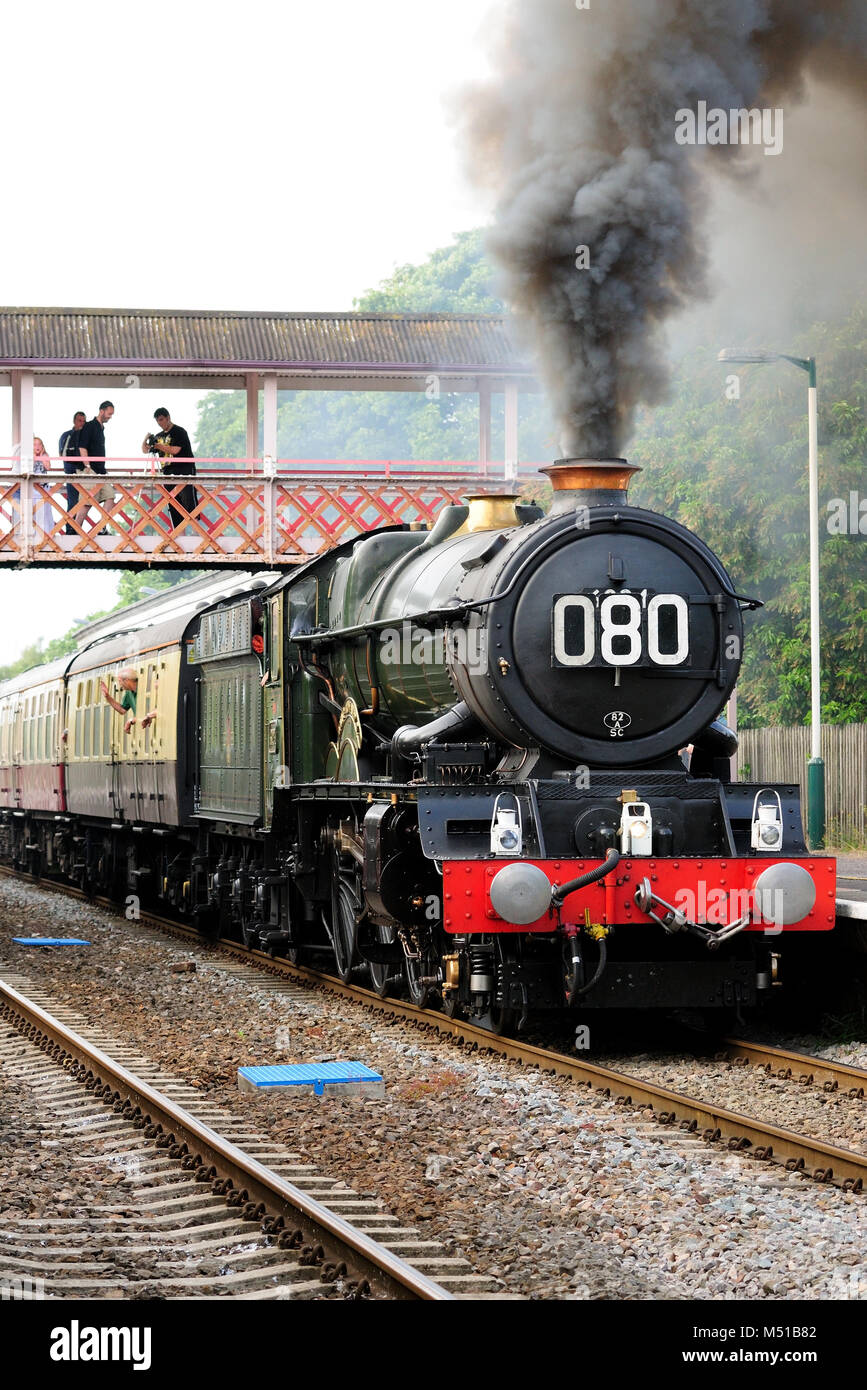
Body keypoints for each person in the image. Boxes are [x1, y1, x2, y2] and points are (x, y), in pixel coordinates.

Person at [142, 408, 197, 531]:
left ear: (168, 417)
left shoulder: (179, 431)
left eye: (161, 420)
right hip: (168, 472)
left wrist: (159, 446)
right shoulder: (159, 436)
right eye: (158, 421)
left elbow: (175, 450)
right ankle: (179, 533)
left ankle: (195, 531)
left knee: (188, 500)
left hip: (184, 470)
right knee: (173, 503)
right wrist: (146, 440)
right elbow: (146, 450)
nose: (160, 423)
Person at [79, 401, 115, 534]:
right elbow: (82, 447)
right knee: (87, 502)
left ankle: (101, 528)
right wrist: (87, 466)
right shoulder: (89, 426)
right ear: (102, 411)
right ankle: (75, 530)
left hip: (101, 471)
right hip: (90, 469)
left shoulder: (101, 428)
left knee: (110, 497)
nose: (110, 417)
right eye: (109, 414)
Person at [99, 668, 156, 734]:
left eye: (119, 681)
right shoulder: (128, 693)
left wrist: (131, 720)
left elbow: (147, 713)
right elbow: (122, 710)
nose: (119, 685)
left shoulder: (146, 689)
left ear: (126, 681)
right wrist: (107, 696)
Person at [59, 410, 87, 535]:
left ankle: (78, 528)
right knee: (73, 501)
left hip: (85, 473)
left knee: (86, 501)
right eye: (79, 420)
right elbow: (62, 454)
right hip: (71, 472)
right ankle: (70, 529)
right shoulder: (67, 435)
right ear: (74, 421)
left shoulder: (86, 436)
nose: (82, 423)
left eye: (83, 421)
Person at [32, 438, 54, 534]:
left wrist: (41, 456)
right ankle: (34, 532)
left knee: (45, 511)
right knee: (34, 510)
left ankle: (46, 532)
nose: (37, 446)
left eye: (39, 444)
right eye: (35, 444)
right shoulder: (30, 456)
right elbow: (29, 466)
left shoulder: (45, 455)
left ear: (42, 446)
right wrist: (34, 457)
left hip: (43, 488)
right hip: (32, 488)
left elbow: (48, 467)